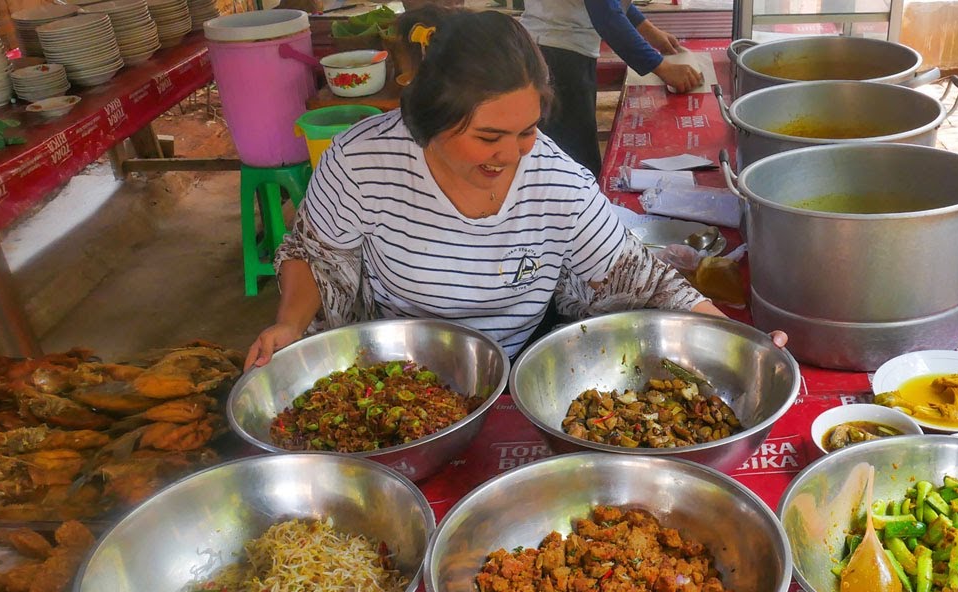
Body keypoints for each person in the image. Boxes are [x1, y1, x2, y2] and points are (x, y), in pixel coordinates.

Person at [245, 10, 773, 370]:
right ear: (433, 118)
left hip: (517, 370)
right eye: (488, 137)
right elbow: (316, 255)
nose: (514, 154)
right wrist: (289, 325)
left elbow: (643, 281)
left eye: (527, 130)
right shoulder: (362, 162)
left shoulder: (557, 180)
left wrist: (740, 346)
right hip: (396, 372)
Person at [520, 0, 703, 176]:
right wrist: (662, 68)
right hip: (559, 56)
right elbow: (606, 15)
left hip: (556, 45)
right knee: (575, 161)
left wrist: (650, 32)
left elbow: (613, 5)